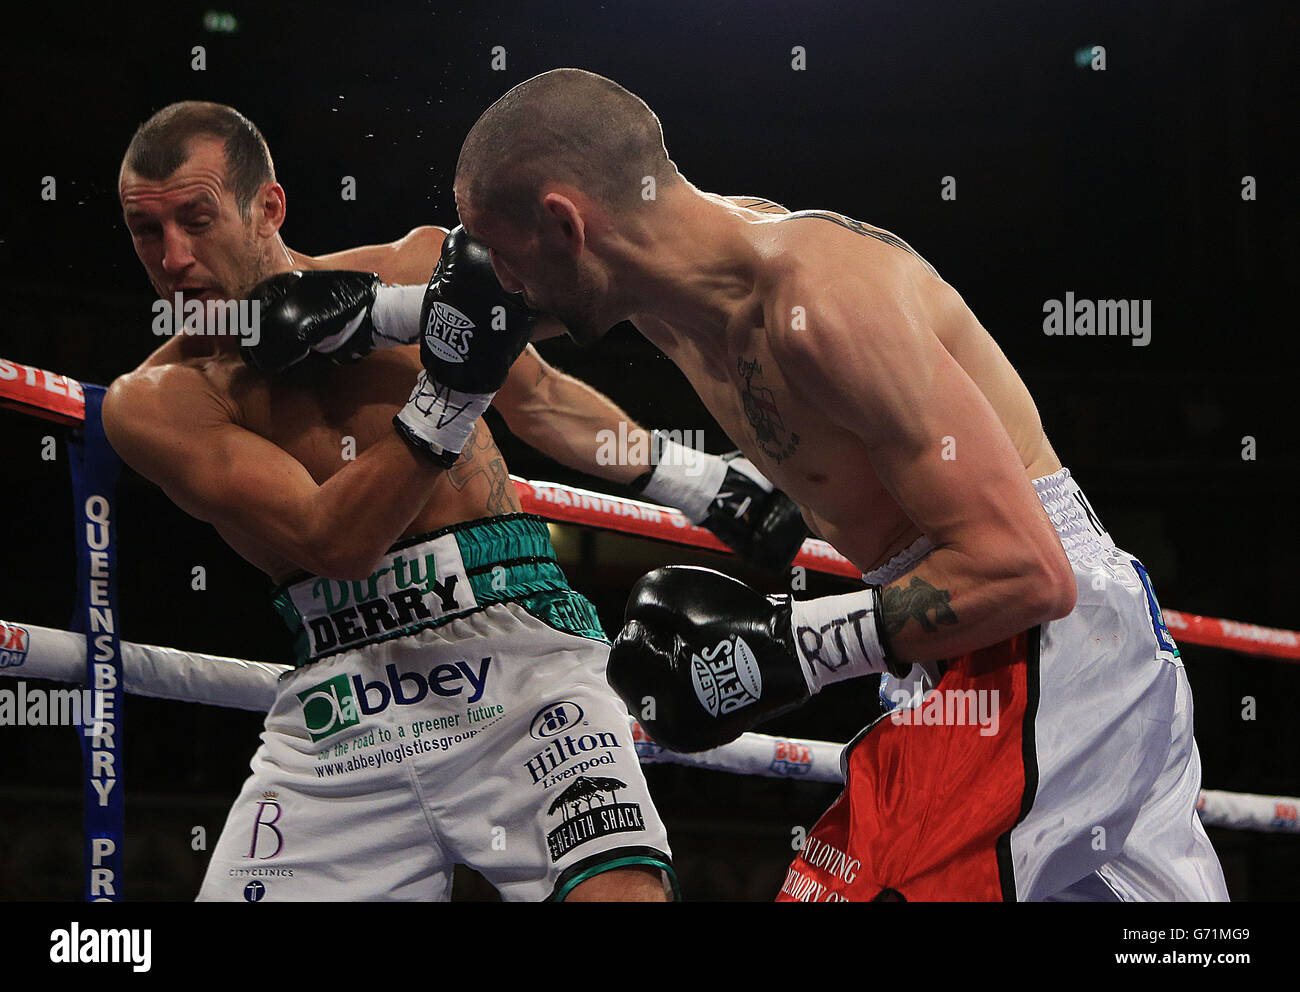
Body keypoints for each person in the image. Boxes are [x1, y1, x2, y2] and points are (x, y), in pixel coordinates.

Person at [450, 69, 1230, 901]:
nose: (497, 279)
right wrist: (354, 303)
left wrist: (790, 645)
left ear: (567, 224)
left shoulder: (820, 302)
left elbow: (1029, 571)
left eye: (500, 251)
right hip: (978, 651)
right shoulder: (656, 284)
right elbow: (464, 310)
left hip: (1042, 646)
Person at [103, 101, 795, 901]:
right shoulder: (155, 402)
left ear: (268, 207)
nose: (175, 258)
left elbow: (544, 402)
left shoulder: (414, 265)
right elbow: (332, 542)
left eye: (196, 219)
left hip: (521, 659)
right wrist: (452, 387)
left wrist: (707, 486)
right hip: (343, 702)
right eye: (145, 232)